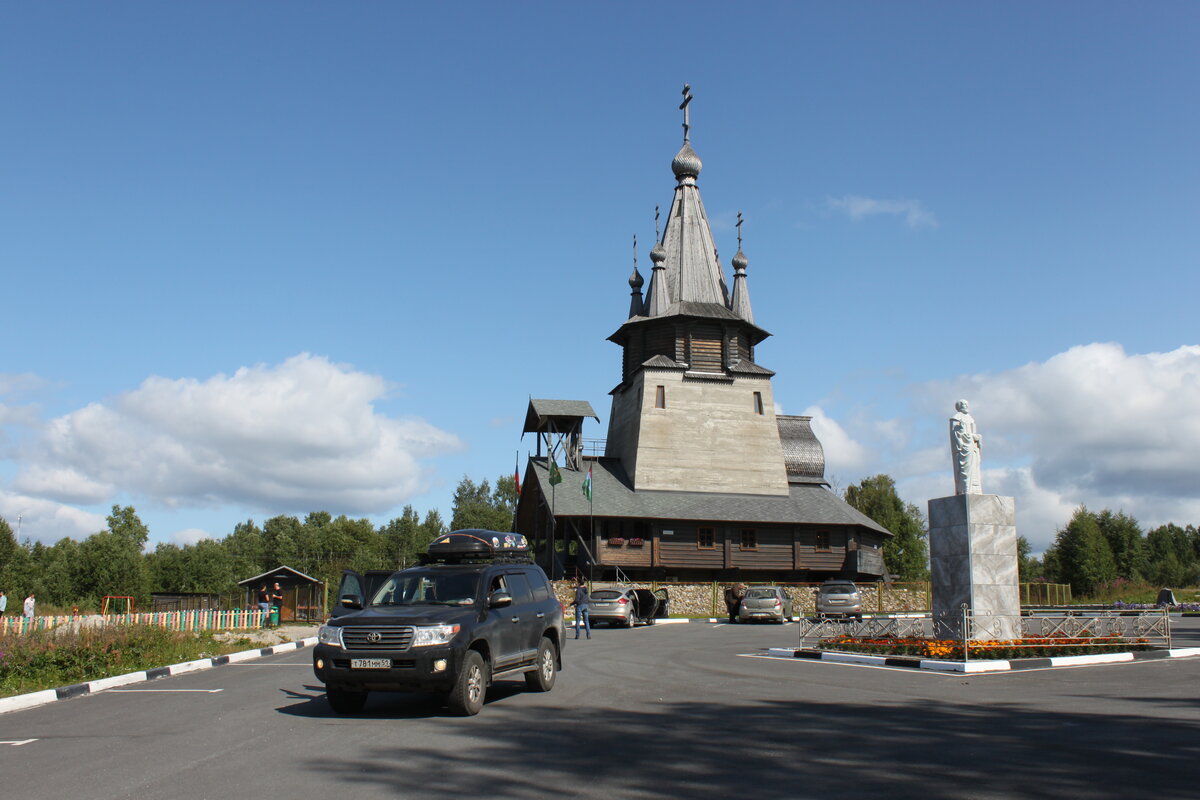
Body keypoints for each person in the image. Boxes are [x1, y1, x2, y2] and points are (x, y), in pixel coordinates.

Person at [950, 399, 983, 495]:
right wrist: (971, 436)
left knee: (974, 467)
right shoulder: (956, 418)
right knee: (965, 468)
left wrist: (976, 437)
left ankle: (974, 489)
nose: (965, 405)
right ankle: (965, 489)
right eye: (963, 404)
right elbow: (956, 435)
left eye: (966, 404)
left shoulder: (970, 418)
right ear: (958, 406)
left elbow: (972, 433)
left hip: (972, 447)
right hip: (964, 448)